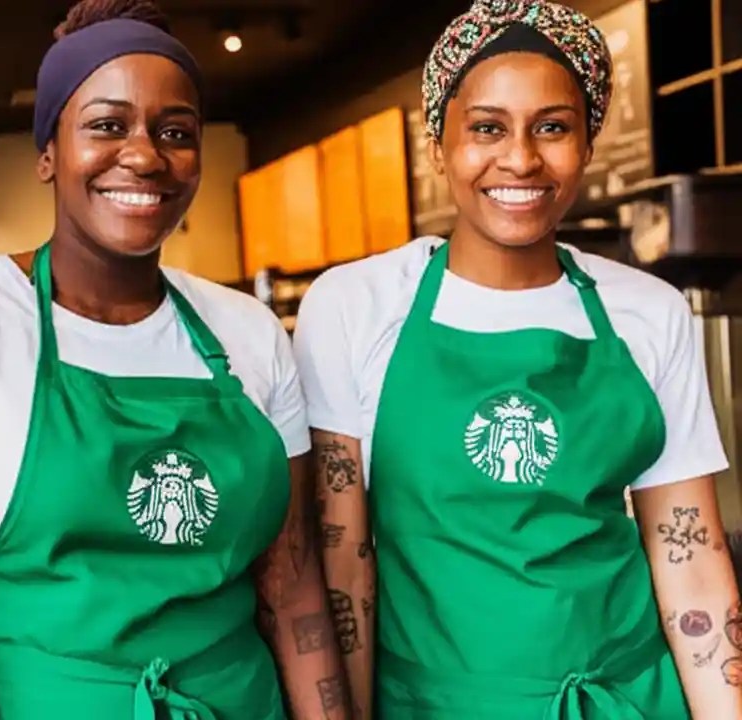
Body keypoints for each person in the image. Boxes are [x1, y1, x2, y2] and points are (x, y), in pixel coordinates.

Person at [0, 0, 349, 717]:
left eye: (174, 131)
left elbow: (294, 592)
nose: (145, 154)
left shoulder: (249, 332)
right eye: (107, 125)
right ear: (48, 151)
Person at [293, 0, 742, 717]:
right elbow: (346, 562)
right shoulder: (355, 306)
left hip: (625, 695)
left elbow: (688, 556)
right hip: (439, 702)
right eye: (487, 129)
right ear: (438, 146)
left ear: (588, 145)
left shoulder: (648, 311)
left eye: (554, 128)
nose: (522, 158)